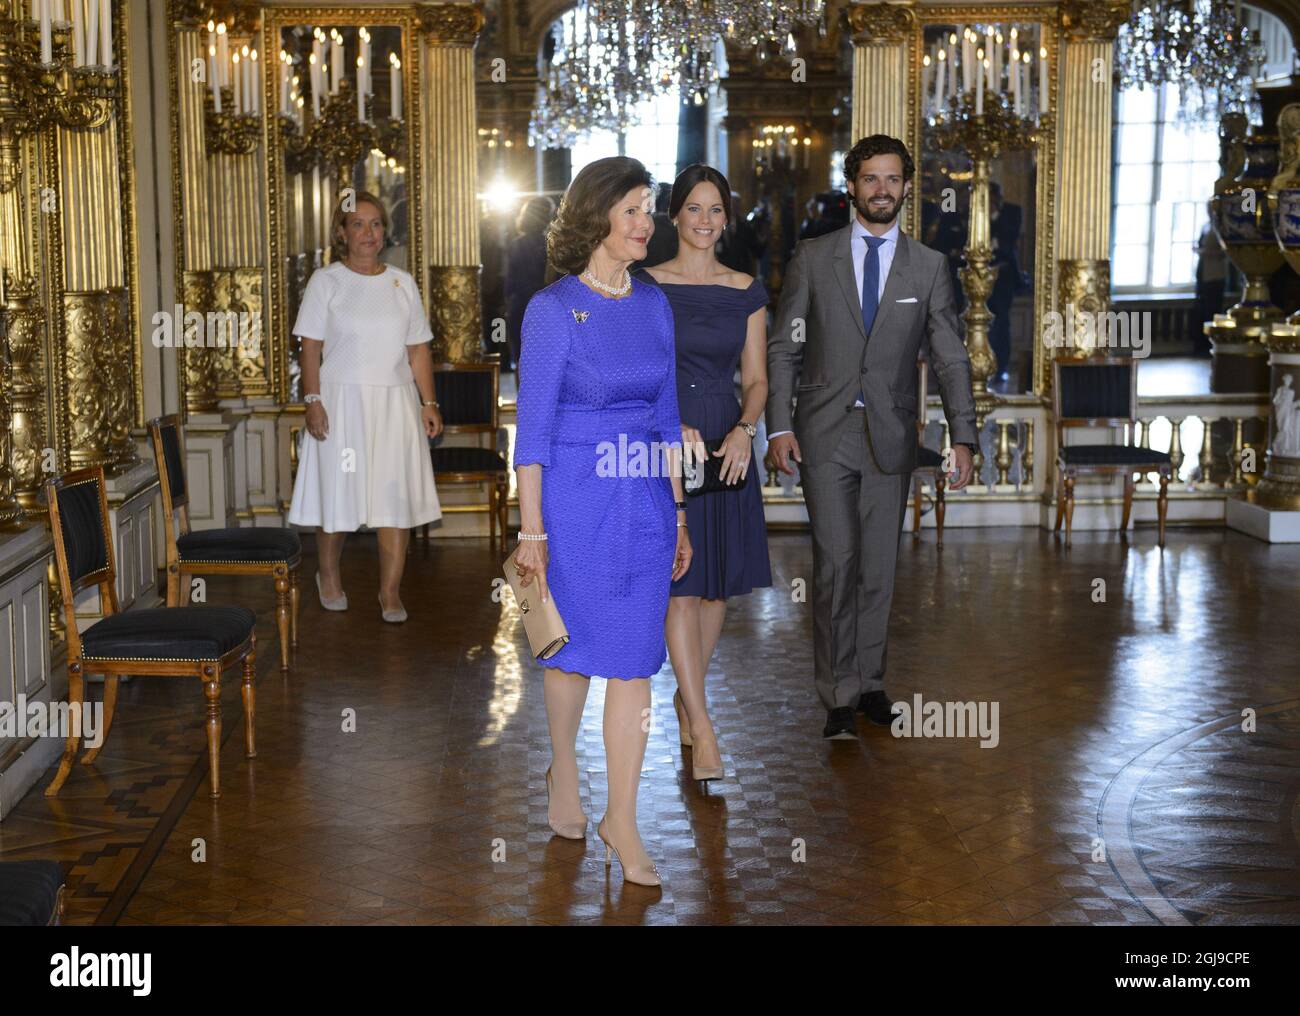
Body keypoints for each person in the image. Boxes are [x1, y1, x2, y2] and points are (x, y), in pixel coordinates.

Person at [512, 156, 692, 887]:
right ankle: (564, 768)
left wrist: (678, 513)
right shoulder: (552, 310)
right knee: (572, 647)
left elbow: (667, 414)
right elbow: (533, 432)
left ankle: (621, 813)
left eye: (650, 209)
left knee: (633, 659)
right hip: (575, 498)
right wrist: (532, 533)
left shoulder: (653, 304)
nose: (648, 223)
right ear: (598, 220)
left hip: (645, 495)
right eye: (633, 211)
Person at [765, 134, 978, 740]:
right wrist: (778, 424)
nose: (881, 189)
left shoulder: (928, 267)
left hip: (890, 434)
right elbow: (785, 348)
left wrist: (962, 436)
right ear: (851, 187)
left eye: (892, 179)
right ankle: (837, 692)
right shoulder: (813, 257)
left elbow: (950, 358)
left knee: (880, 565)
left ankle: (871, 683)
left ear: (907, 187)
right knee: (837, 562)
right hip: (823, 434)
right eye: (870, 179)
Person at [634, 163, 773, 786]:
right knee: (681, 583)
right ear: (674, 215)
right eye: (694, 208)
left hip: (726, 434)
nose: (705, 221)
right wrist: (667, 425)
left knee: (716, 585)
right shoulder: (645, 284)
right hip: (667, 433)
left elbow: (758, 379)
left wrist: (745, 430)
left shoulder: (746, 288)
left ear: (727, 218)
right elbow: (639, 372)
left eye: (716, 209)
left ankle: (688, 699)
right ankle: (703, 721)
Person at [288, 191, 443, 623]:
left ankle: (390, 592)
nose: (368, 233)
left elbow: (418, 351)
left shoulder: (402, 282)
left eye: (375, 224)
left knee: (394, 498)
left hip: (395, 402)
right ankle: (329, 575)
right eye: (358, 224)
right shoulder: (326, 281)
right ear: (342, 233)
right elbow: (311, 349)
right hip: (340, 402)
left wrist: (429, 402)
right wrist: (313, 400)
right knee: (339, 495)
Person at [504, 196, 555, 372]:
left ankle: (523, 397)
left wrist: (507, 305)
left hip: (519, 306)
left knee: (521, 357)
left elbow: (509, 281)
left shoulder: (515, 244)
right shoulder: (550, 245)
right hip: (545, 307)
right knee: (546, 359)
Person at [988, 181, 1025, 382]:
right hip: (980, 277)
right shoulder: (976, 211)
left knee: (1001, 323)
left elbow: (1009, 240)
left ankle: (1000, 366)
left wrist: (993, 215)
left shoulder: (1012, 211)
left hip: (1003, 278)